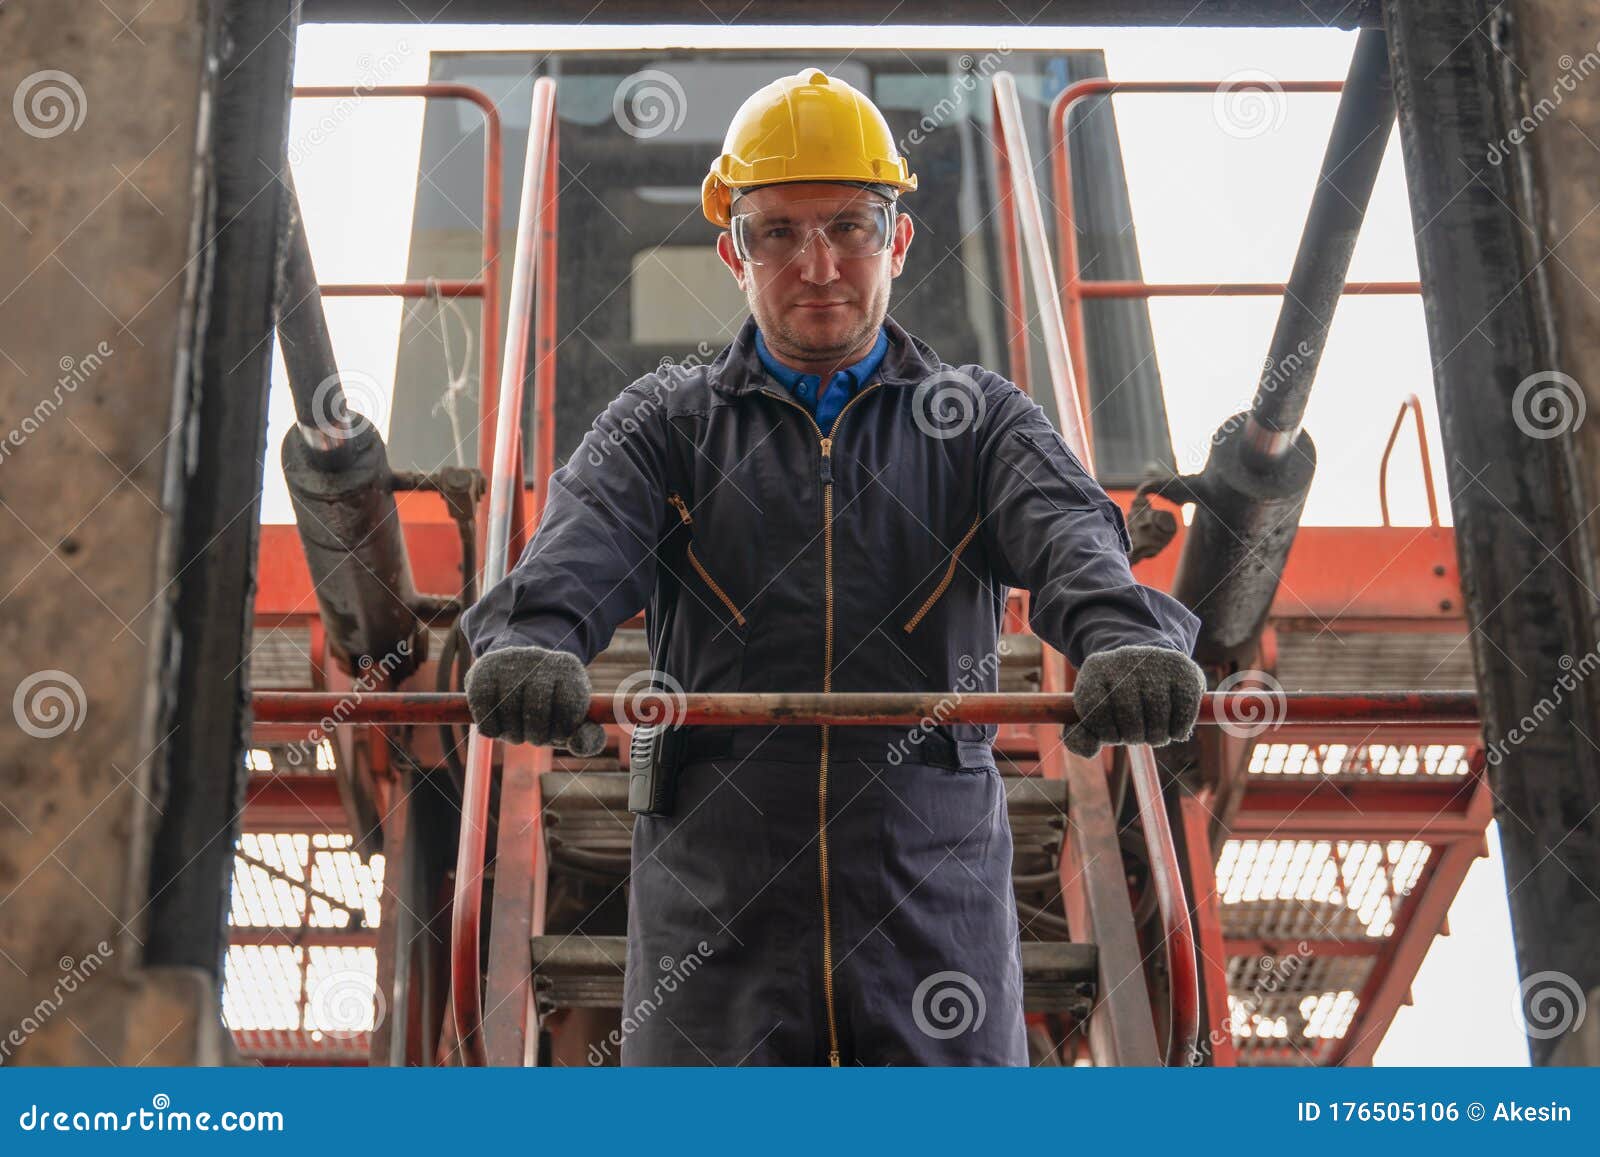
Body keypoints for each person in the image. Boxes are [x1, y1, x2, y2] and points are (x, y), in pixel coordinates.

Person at [460, 67, 1204, 1066]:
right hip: (715, 920)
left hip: (931, 906)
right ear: (733, 251)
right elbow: (579, 542)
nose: (817, 264)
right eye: (777, 231)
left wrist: (1124, 637)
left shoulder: (977, 423)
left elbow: (1070, 534)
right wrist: (530, 641)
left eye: (849, 226)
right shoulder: (664, 427)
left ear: (897, 239)